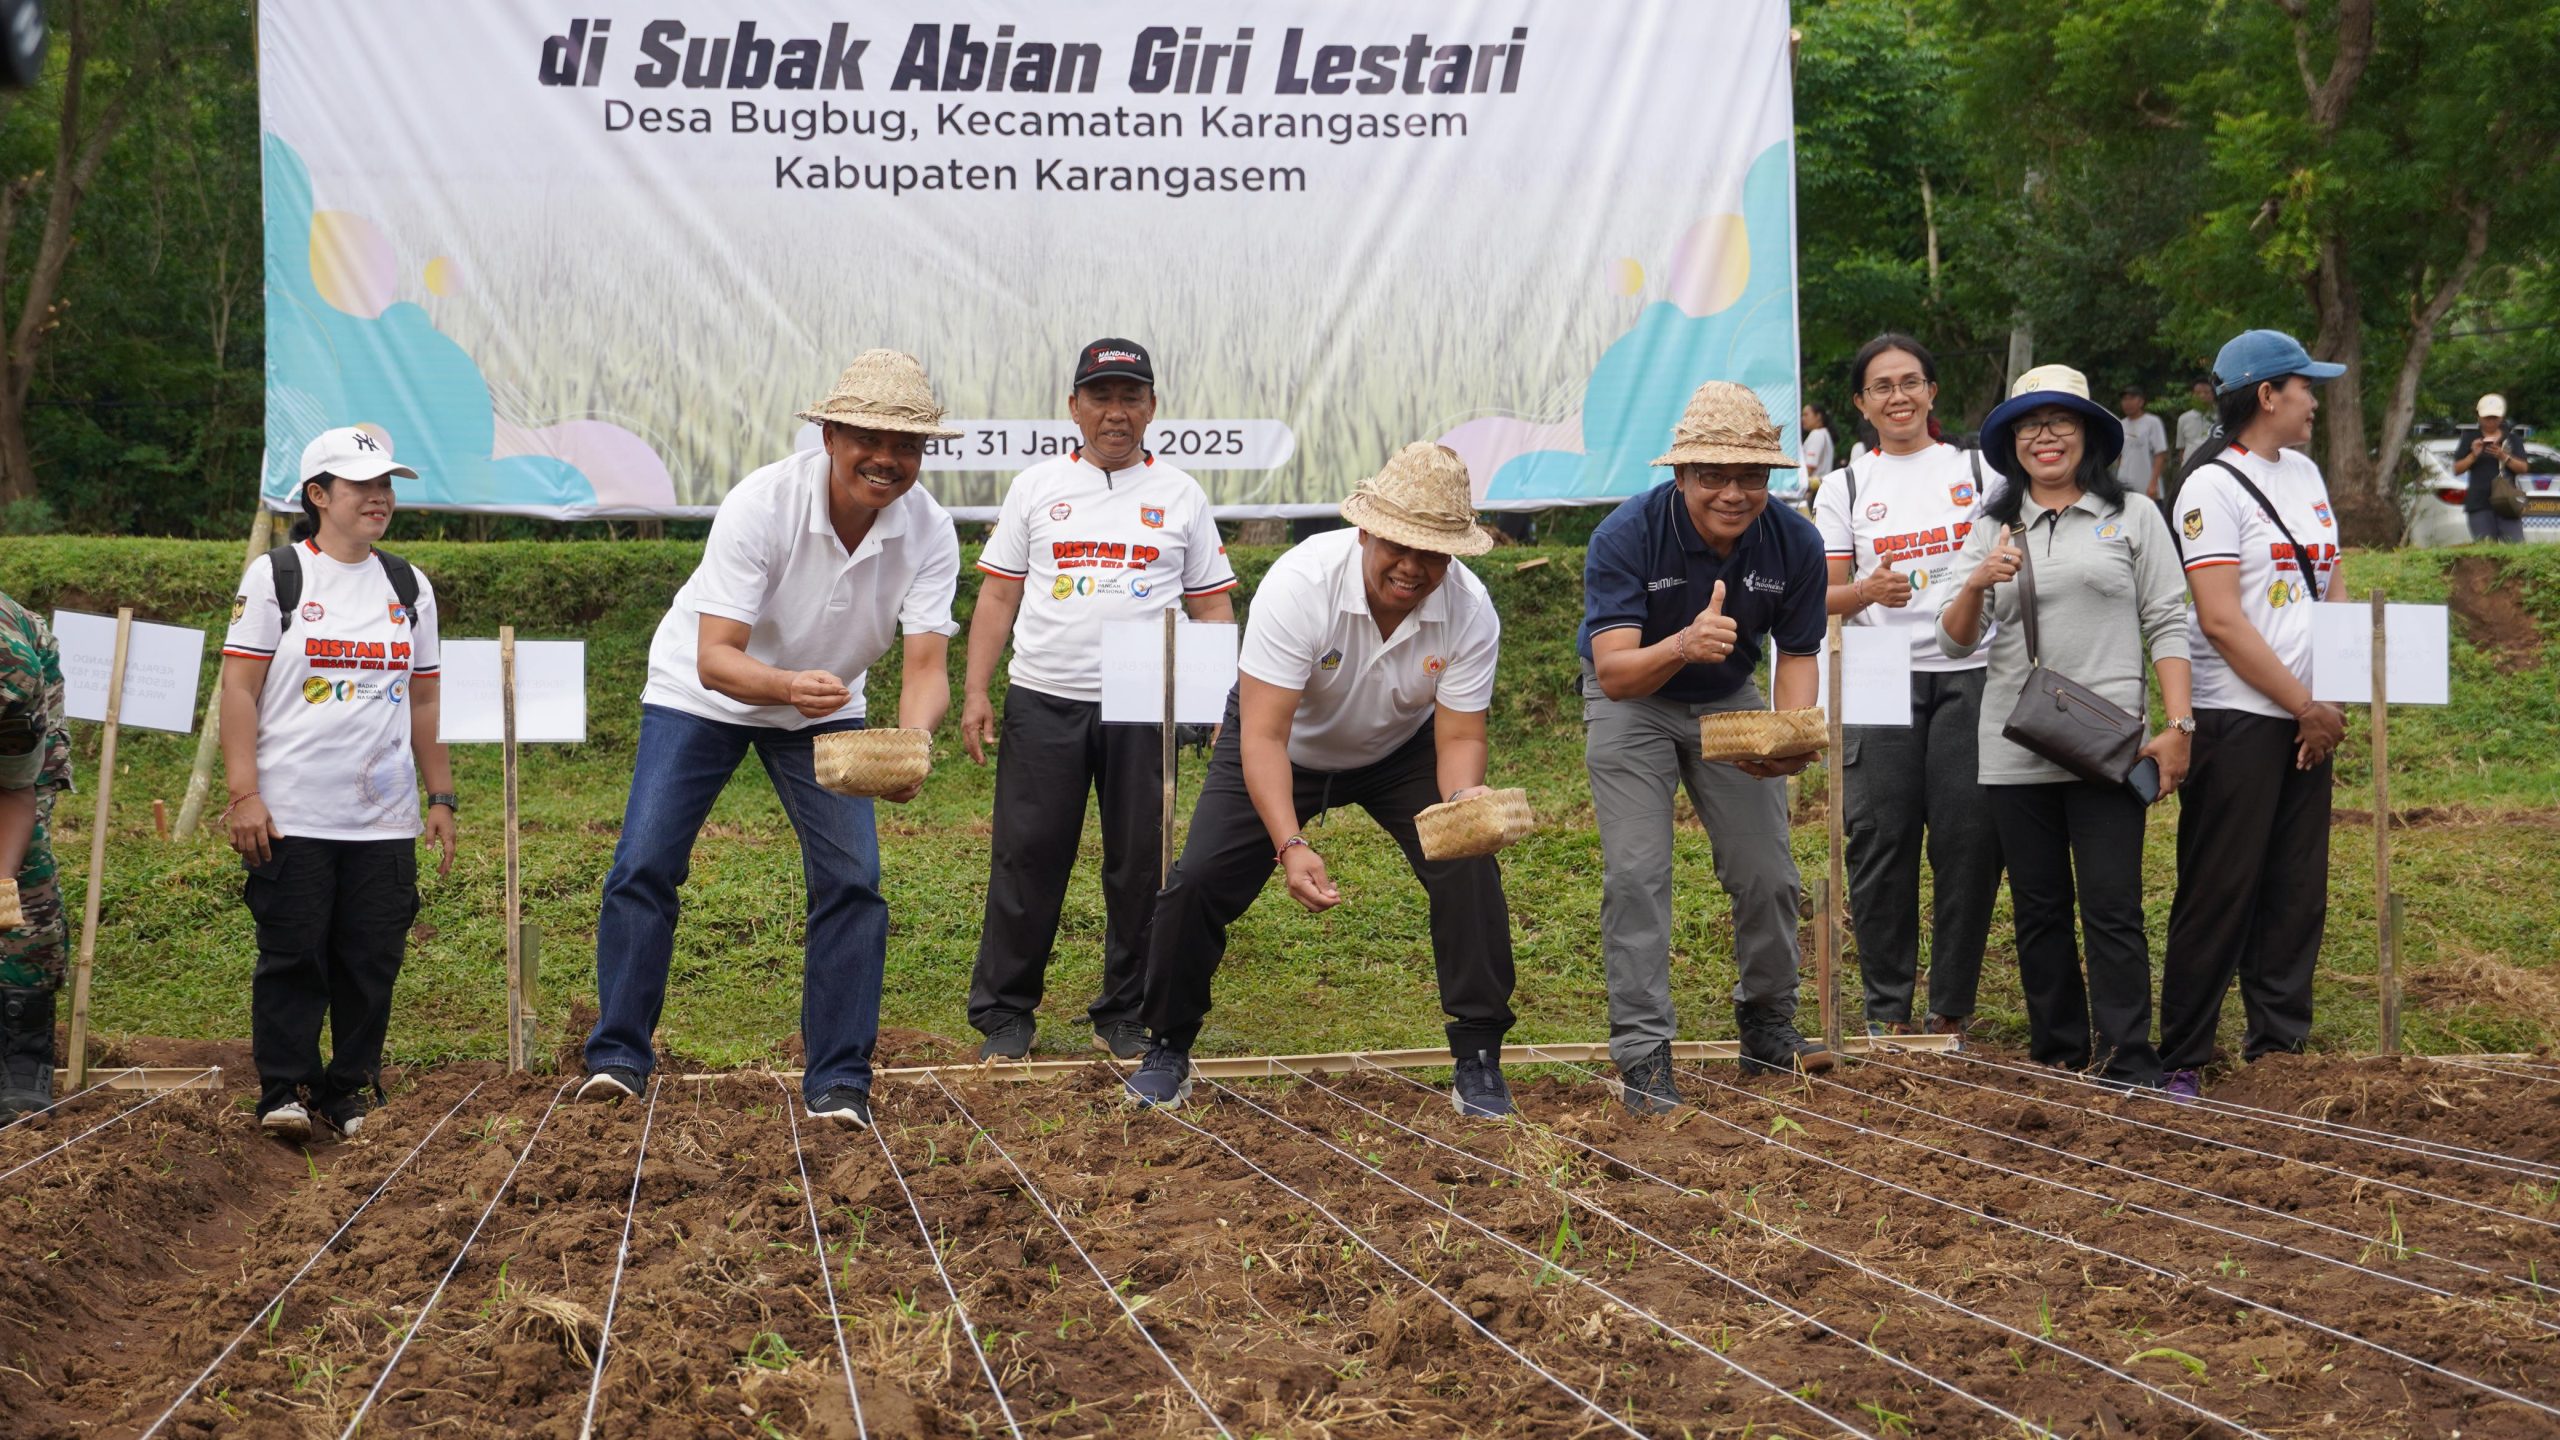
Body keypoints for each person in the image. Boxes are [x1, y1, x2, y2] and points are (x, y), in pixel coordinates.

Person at [581, 351, 960, 1129]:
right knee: (645, 863)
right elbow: (716, 656)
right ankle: (618, 1059)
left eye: (908, 445)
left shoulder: (930, 530)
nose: (887, 460)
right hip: (703, 694)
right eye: (868, 438)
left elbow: (926, 665)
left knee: (853, 880)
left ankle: (839, 1082)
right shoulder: (764, 503)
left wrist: (913, 740)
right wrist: (787, 686)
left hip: (821, 703)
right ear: (828, 435)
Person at [1124, 443, 1516, 1117]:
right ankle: (1166, 1046)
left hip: (1399, 749)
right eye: (1399, 545)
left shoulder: (1470, 609)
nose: (1413, 567)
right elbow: (1265, 734)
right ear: (1366, 530)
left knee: (1468, 867)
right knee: (1196, 882)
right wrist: (1290, 844)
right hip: (1287, 743)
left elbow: (1459, 735)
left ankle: (1478, 1057)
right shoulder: (1300, 584)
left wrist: (1460, 805)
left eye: (1434, 552)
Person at [962, 339, 1237, 1062]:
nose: (1116, 413)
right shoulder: (1036, 486)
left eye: (1131, 397)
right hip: (1045, 690)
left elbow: (1212, 608)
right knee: (1028, 855)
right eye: (1101, 397)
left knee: (1141, 861)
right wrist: (975, 691)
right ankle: (1005, 1013)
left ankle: (1125, 1010)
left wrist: (1213, 696)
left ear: (1151, 407)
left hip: (1145, 692)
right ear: (1074, 406)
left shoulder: (1181, 494)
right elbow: (997, 594)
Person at [1938, 366, 2192, 1089]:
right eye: (2029, 424)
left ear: (2089, 436)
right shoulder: (1994, 525)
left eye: (2061, 422)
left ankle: (2127, 1061)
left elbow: (2168, 622)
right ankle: (2057, 1053)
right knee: (2039, 908)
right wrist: (1975, 581)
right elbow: (1957, 641)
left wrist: (2179, 725)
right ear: (2012, 441)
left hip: (2109, 745)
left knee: (2113, 904)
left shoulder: (2134, 516)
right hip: (2015, 744)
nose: (2045, 436)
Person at [1580, 381, 1830, 1115]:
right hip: (1635, 698)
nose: (1733, 492)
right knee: (1636, 873)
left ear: (1770, 480)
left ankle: (1766, 1023)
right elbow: (1616, 670)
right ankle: (1644, 1056)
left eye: (1750, 476)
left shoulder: (1795, 541)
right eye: (1712, 475)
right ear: (1680, 474)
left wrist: (1786, 733)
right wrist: (1684, 642)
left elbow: (1801, 650)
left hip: (1726, 697)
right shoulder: (1626, 536)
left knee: (1768, 872)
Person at [219, 427, 457, 1142]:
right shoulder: (278, 575)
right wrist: (242, 793)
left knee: (370, 958)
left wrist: (439, 796)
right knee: (293, 952)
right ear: (319, 495)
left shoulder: (409, 585)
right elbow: (239, 688)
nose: (379, 498)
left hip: (383, 817)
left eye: (387, 485)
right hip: (290, 811)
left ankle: (351, 1089)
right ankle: (284, 1088)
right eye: (362, 486)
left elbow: (424, 699)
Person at [2157, 329, 2350, 1100]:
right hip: (2239, 717)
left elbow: (2333, 581)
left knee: (2296, 888)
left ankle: (2279, 1048)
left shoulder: (2304, 472)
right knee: (2221, 885)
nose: (2313, 399)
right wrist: (2301, 702)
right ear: (2267, 395)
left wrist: (2327, 699)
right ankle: (2185, 1053)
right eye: (2305, 386)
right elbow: (2221, 620)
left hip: (2311, 719)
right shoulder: (2209, 487)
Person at [1813, 335, 2002, 1043]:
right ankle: (1887, 1011)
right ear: (1861, 404)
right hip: (1880, 666)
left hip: (1972, 667)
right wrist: (1867, 589)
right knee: (1880, 838)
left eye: (1910, 382)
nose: (1898, 397)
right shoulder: (1845, 487)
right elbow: (1825, 592)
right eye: (1881, 386)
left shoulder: (1981, 471)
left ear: (1933, 393)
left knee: (1969, 839)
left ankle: (1949, 1009)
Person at [0, 593, 69, 1120]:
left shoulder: (13, 681)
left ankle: (22, 1059)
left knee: (23, 894)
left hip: (13, 769)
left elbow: (15, 793)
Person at [2454, 393, 2529, 544]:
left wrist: (2503, 456)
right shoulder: (2470, 438)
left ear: (2501, 417)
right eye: (2487, 417)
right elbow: (2457, 469)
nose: (2490, 421)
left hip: (2506, 502)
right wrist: (2473, 455)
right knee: (2486, 550)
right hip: (2479, 503)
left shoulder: (2512, 439)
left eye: (2494, 417)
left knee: (2516, 546)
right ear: (2479, 417)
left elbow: (2523, 468)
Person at [2117, 385, 2169, 504]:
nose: (2127, 403)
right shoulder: (2120, 425)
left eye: (2131, 398)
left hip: (2148, 487)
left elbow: (2160, 454)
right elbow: (2119, 456)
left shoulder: (2152, 422)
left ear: (2141, 401)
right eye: (2124, 399)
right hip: (2125, 488)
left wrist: (2153, 484)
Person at [2176, 378, 2217, 466]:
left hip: (2214, 466)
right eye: (2198, 393)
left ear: (2213, 394)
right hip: (2190, 467)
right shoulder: (2183, 419)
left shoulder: (2221, 417)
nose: (2202, 396)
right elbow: (2182, 449)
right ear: (2192, 395)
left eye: (2206, 392)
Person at [1800, 402, 1836, 491]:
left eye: (1806, 415)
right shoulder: (1825, 434)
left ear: (1818, 416)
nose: (1802, 419)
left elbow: (1810, 467)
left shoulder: (1817, 434)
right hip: (1823, 488)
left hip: (1814, 489)